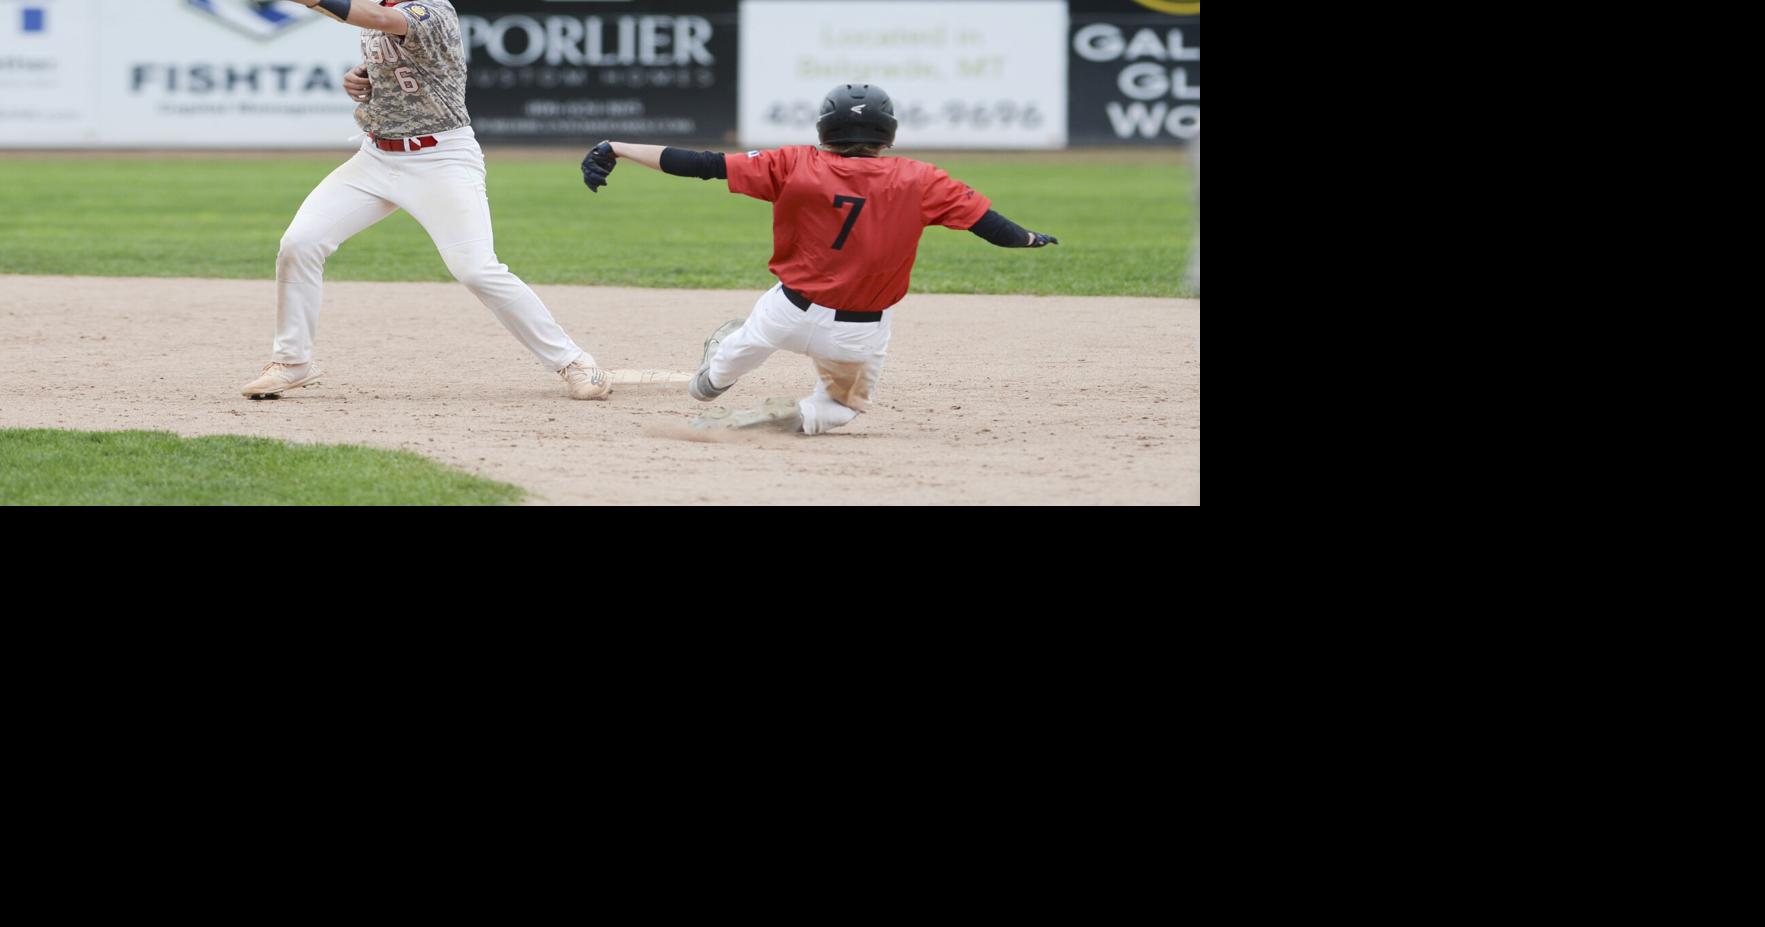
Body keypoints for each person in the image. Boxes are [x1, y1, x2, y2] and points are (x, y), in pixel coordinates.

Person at [580, 83, 1057, 434]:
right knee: (840, 409)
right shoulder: (922, 179)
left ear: (825, 129)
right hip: (858, 330)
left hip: (786, 311)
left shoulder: (792, 164)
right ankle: (785, 414)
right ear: (888, 133)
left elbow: (700, 164)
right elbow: (994, 230)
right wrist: (1031, 238)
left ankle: (713, 378)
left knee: (741, 345)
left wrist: (617, 147)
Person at [240, 0, 610, 401]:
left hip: (441, 159)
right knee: (300, 243)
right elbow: (386, 49)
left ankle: (575, 362)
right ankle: (292, 362)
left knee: (475, 269)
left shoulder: (431, 11)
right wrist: (360, 78)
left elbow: (383, 20)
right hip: (375, 158)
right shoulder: (380, 9)